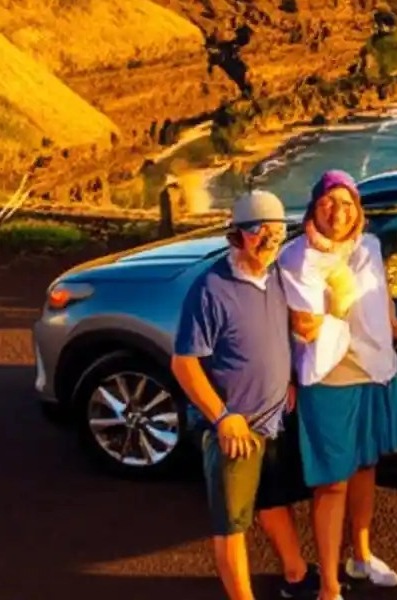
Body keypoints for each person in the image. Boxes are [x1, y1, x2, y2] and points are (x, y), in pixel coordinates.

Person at [278, 170, 397, 600]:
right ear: (314, 207)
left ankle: (361, 557)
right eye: (328, 202)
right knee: (332, 482)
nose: (338, 211)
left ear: (359, 211)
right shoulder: (297, 258)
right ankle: (329, 587)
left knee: (366, 467)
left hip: (374, 370)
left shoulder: (368, 247)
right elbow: (309, 326)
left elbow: (377, 304)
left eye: (347, 203)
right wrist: (334, 297)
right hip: (330, 377)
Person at [169, 189, 321, 600]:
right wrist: (222, 418)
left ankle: (295, 575)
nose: (270, 240)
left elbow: (276, 336)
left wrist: (288, 377)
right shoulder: (210, 289)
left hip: (274, 419)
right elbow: (183, 364)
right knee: (233, 523)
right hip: (236, 429)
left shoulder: (275, 276)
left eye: (276, 231)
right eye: (259, 232)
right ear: (236, 236)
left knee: (275, 502)